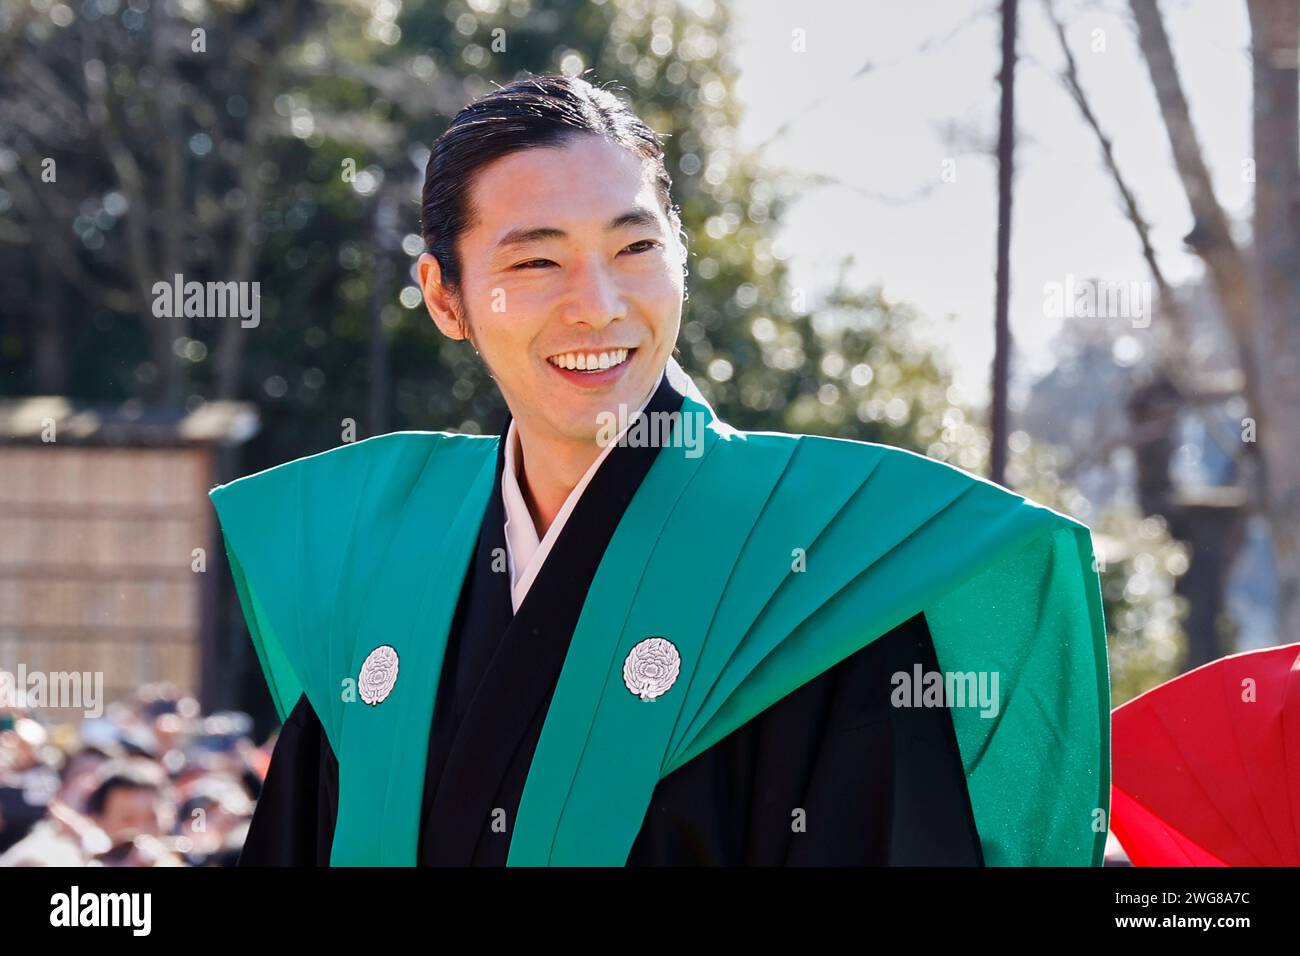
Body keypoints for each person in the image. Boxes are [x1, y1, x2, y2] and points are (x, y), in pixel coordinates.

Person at [210, 73, 1109, 867]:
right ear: (446, 297)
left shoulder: (814, 577)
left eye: (635, 249)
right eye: (536, 260)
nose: (597, 307)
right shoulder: (380, 562)